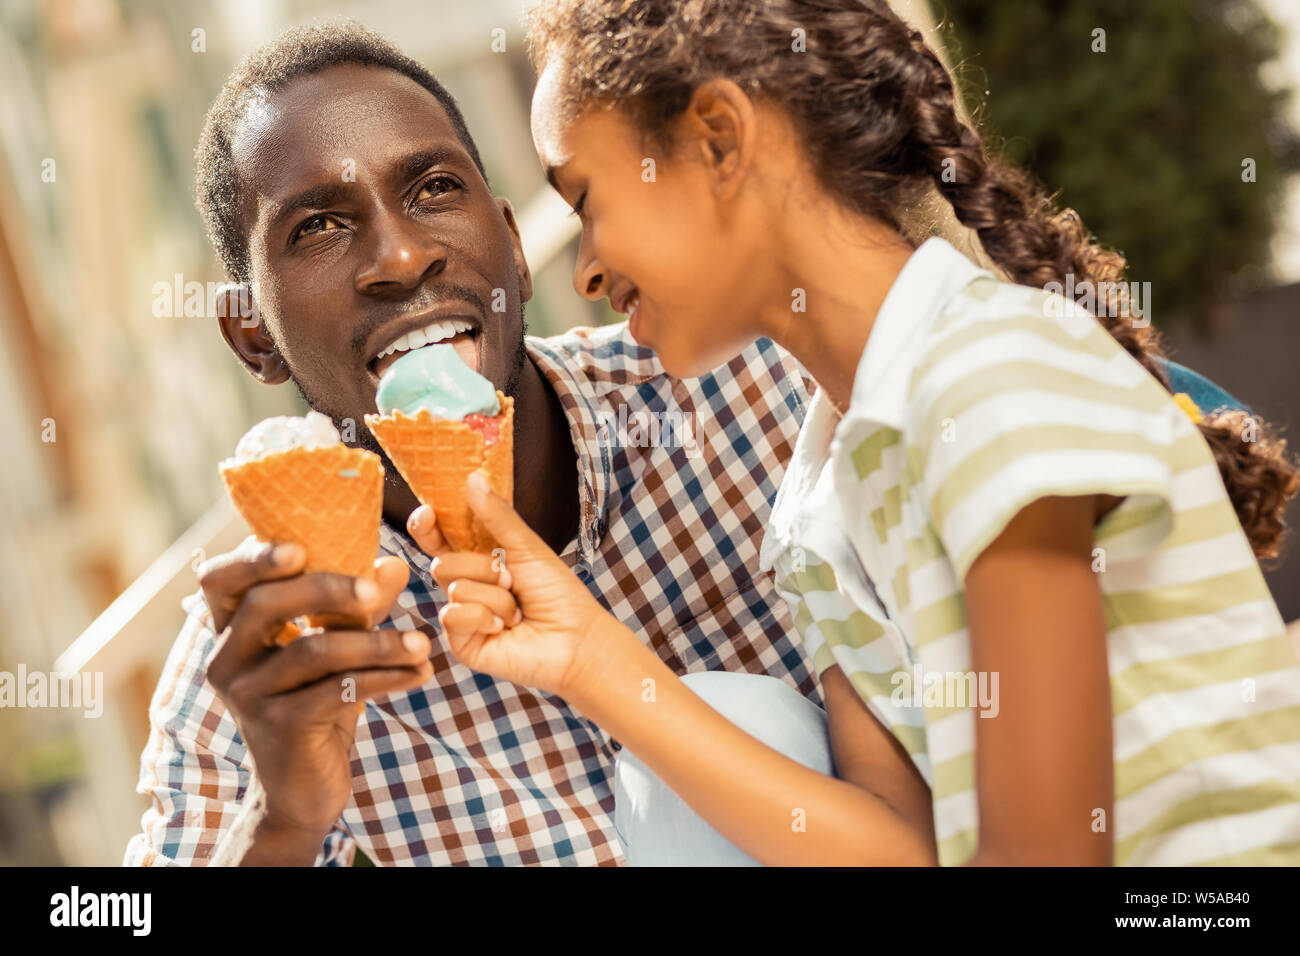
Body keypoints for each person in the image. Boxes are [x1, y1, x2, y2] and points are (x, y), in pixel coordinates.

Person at [428, 0, 1300, 865]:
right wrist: (589, 658)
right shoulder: (819, 498)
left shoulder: (983, 377)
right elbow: (900, 848)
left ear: (720, 140)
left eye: (586, 199)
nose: (581, 269)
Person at [124, 20, 822, 866]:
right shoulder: (260, 663)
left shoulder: (748, 390)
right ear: (252, 338)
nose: (402, 255)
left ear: (515, 251)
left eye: (432, 190)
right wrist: (280, 821)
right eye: (317, 228)